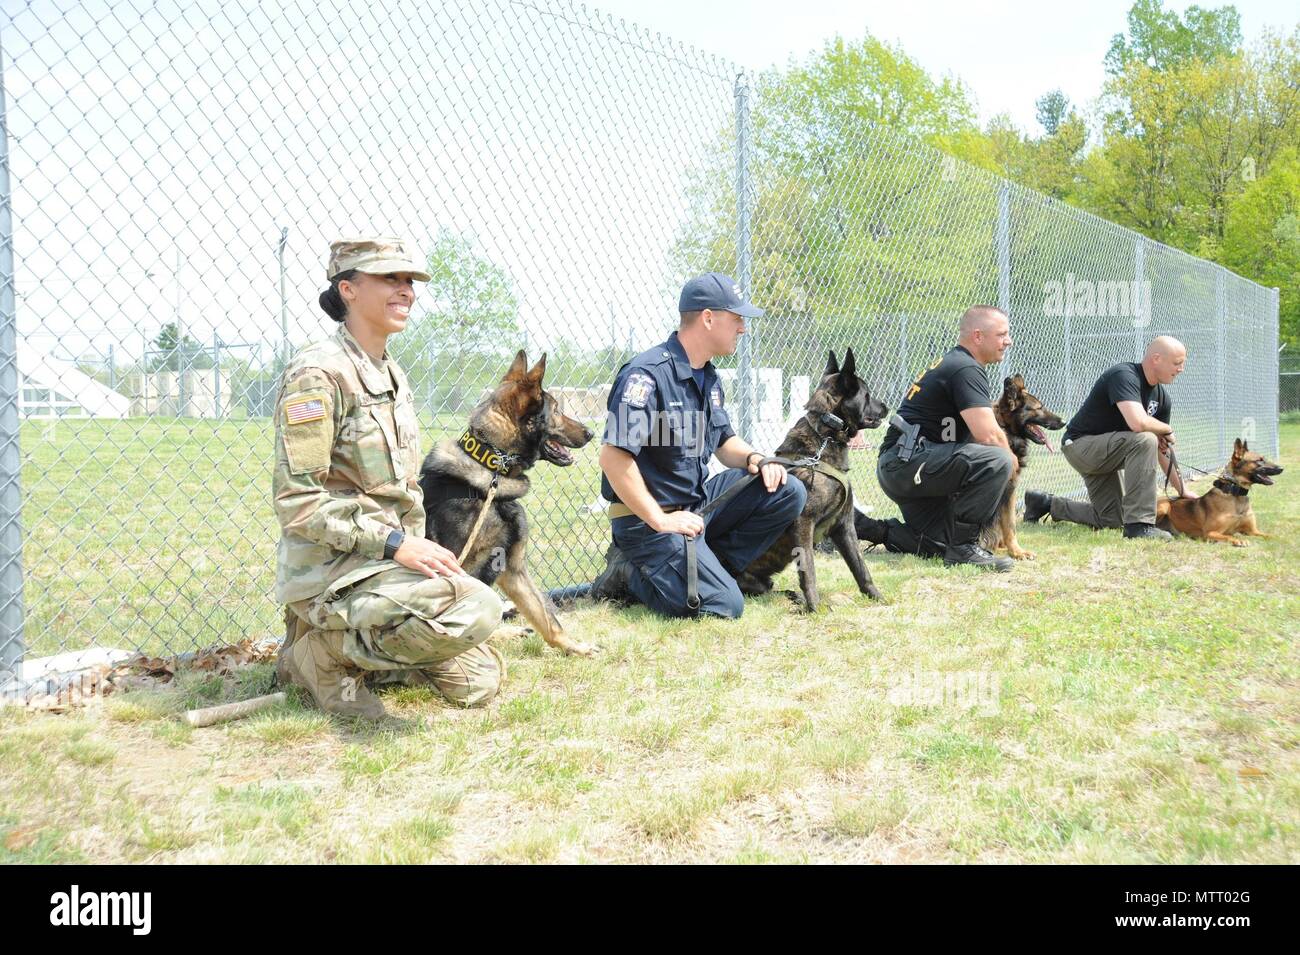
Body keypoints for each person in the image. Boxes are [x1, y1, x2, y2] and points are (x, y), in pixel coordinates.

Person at [272, 237, 504, 719]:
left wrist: (414, 552)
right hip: (336, 568)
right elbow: (299, 504)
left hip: (387, 565)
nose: (407, 291)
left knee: (479, 681)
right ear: (348, 289)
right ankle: (320, 656)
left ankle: (364, 656)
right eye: (390, 279)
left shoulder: (391, 373)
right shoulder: (319, 374)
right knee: (477, 609)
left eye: (410, 281)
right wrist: (397, 544)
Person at [589, 273, 807, 618]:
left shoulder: (708, 375)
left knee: (787, 488)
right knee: (725, 607)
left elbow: (724, 442)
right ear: (708, 318)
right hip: (646, 522)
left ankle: (717, 569)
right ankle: (628, 573)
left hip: (695, 507)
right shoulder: (646, 375)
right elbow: (613, 458)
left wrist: (757, 458)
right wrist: (660, 519)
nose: (742, 328)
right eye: (736, 319)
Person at [856, 305, 1018, 571]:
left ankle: (865, 528)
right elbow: (988, 435)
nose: (1008, 341)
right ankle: (964, 551)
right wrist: (1010, 462)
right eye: (1002, 334)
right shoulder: (965, 367)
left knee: (941, 543)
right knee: (997, 459)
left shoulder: (959, 363)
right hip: (908, 462)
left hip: (903, 466)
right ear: (978, 336)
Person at [1022, 336, 1186, 540]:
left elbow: (1163, 449)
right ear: (1156, 358)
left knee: (1113, 519)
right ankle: (1139, 526)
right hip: (1080, 446)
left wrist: (1184, 490)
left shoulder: (1162, 398)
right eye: (1177, 363)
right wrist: (1166, 428)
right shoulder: (1124, 376)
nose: (1181, 369)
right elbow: (1138, 422)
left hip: (1107, 453)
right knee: (1145, 439)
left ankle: (1045, 503)